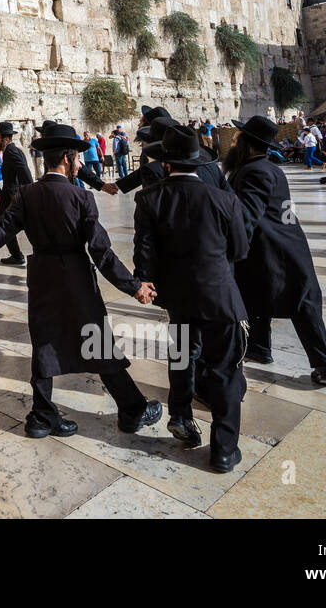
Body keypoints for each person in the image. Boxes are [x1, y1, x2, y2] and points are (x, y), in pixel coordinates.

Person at [0, 123, 162, 438]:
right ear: (69, 158)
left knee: (44, 342)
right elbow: (102, 253)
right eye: (78, 159)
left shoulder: (27, 194)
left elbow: (2, 229)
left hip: (42, 277)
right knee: (97, 340)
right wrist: (135, 286)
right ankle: (132, 409)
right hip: (76, 280)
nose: (80, 165)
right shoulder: (81, 198)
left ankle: (42, 415)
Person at [132, 125, 250, 473]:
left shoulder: (148, 198)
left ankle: (181, 415)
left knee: (183, 354)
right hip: (219, 297)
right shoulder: (224, 199)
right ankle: (224, 450)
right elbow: (240, 250)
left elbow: (144, 251)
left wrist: (147, 281)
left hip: (177, 297)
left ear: (166, 164)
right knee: (225, 371)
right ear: (198, 164)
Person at [226, 116, 326, 385]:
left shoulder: (255, 172)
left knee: (302, 304)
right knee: (256, 298)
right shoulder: (266, 167)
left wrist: (230, 250)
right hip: (279, 244)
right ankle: (259, 349)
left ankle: (325, 365)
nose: (232, 140)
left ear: (247, 144)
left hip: (274, 248)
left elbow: (247, 216)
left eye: (237, 137)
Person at [0, 121, 32, 265]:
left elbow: (24, 171)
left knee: (3, 223)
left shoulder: (11, 151)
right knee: (10, 224)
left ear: (6, 138)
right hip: (10, 194)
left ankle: (17, 255)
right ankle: (16, 255)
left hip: (12, 195)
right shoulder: (12, 150)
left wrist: (29, 189)